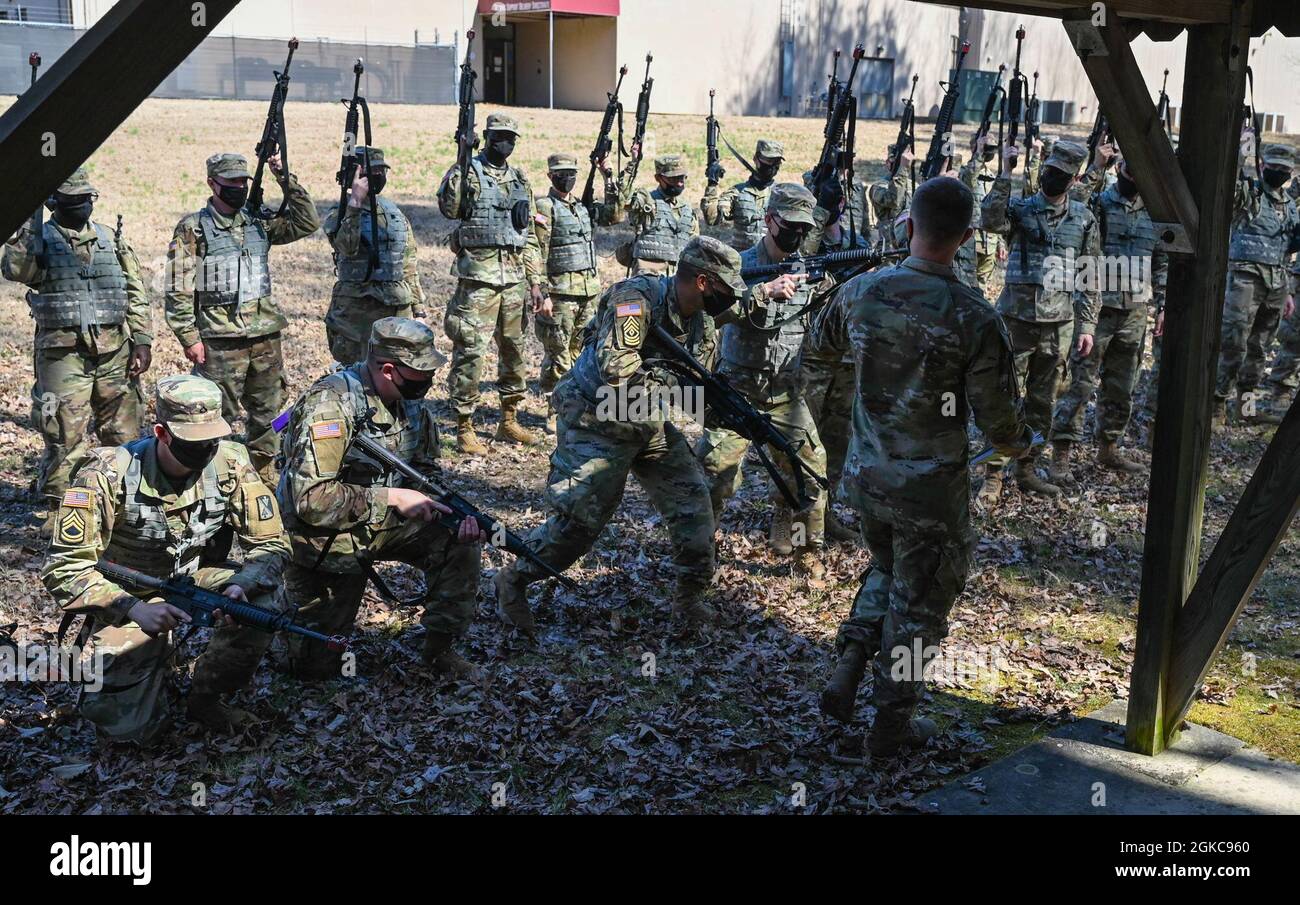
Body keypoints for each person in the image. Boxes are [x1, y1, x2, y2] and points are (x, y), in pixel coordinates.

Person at [816, 176, 1032, 756]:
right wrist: (1023, 441)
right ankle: (890, 729)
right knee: (920, 608)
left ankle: (848, 667)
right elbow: (997, 423)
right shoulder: (976, 318)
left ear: (908, 226)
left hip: (866, 481)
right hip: (931, 496)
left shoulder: (861, 291)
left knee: (886, 571)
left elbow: (821, 347)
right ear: (965, 238)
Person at [494, 237, 746, 631]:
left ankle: (690, 600)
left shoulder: (701, 320)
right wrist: (676, 390)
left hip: (644, 422)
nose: (729, 298)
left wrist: (724, 412)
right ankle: (514, 580)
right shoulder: (634, 299)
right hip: (596, 418)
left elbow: (693, 384)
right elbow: (618, 370)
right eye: (725, 288)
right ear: (702, 281)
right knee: (579, 524)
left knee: (694, 501)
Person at [40, 375, 289, 742]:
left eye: (212, 438)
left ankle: (207, 698)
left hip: (193, 579)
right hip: (125, 596)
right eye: (193, 441)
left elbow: (271, 544)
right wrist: (133, 608)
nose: (205, 450)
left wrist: (240, 585)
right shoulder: (108, 474)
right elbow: (64, 567)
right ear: (162, 432)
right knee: (132, 734)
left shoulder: (231, 462)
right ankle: (145, 671)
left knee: (263, 598)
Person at [276, 318, 487, 679]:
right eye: (420, 374)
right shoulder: (330, 407)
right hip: (326, 533)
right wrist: (390, 497)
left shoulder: (412, 403)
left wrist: (443, 512)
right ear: (389, 370)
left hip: (383, 519)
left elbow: (426, 470)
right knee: (313, 670)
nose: (428, 383)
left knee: (457, 541)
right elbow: (309, 500)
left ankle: (440, 650)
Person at [3, 167, 152, 536]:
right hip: (62, 355)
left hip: (115, 352)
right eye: (74, 201)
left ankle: (121, 503)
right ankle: (61, 510)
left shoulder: (110, 239)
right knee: (62, 434)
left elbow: (134, 290)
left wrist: (142, 339)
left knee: (123, 433)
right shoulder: (40, 239)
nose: (83, 206)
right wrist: (28, 221)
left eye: (88, 199)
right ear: (54, 204)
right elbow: (15, 269)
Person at [695, 184, 829, 578]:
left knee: (810, 473)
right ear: (769, 220)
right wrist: (762, 292)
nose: (796, 235)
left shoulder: (808, 270)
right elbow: (708, 316)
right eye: (789, 226)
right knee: (715, 476)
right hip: (736, 390)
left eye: (804, 229)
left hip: (786, 391)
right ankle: (700, 553)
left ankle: (806, 552)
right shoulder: (737, 265)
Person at [165, 151, 320, 485]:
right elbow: (178, 285)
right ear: (212, 184)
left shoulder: (258, 221)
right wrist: (189, 337)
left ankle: (262, 476)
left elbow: (307, 221)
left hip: (265, 337)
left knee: (270, 414)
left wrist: (283, 175)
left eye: (242, 181)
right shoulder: (194, 229)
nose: (238, 187)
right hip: (221, 340)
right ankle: (209, 480)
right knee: (214, 415)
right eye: (231, 182)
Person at [976, 139, 1101, 504]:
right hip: (1015, 321)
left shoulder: (1083, 219)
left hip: (1058, 326)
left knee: (1042, 404)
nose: (1052, 178)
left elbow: (1091, 274)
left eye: (1061, 175)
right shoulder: (1021, 209)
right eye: (1049, 171)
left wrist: (1088, 326)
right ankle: (994, 474)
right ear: (1043, 166)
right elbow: (989, 218)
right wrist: (1005, 173)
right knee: (1005, 400)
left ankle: (1027, 468)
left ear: (1074, 178)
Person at [1050, 157, 1167, 479]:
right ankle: (1061, 452)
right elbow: (1072, 207)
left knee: (1121, 386)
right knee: (1079, 384)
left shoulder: (1155, 211)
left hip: (1134, 311)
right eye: (1131, 171)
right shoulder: (1098, 203)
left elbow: (1161, 261)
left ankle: (1109, 448)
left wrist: (1163, 304)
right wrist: (1097, 166)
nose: (1136, 178)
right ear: (1119, 170)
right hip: (1096, 310)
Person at [437, 112, 546, 454]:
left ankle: (508, 419)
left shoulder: (519, 180)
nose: (506, 143)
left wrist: (535, 282)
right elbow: (449, 208)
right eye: (500, 136)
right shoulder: (469, 172)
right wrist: (461, 159)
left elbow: (526, 235)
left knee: (513, 351)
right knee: (471, 351)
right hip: (478, 281)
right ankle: (464, 425)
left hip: (513, 278)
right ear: (486, 136)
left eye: (512, 138)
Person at [533, 152, 622, 432]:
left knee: (580, 351)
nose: (567, 178)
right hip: (559, 293)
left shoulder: (583, 207)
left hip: (588, 291)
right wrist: (541, 291)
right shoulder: (544, 207)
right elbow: (537, 251)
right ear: (550, 176)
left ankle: (572, 404)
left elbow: (615, 213)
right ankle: (555, 407)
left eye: (572, 172)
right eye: (561, 174)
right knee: (558, 352)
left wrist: (608, 176)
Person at [1213, 141, 1300, 427]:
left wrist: (1287, 290)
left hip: (1276, 284)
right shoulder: (1250, 194)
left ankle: (1246, 408)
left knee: (1259, 348)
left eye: (1284, 170)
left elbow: (1288, 248)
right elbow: (1230, 183)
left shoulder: (1289, 206)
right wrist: (1240, 150)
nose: (1278, 173)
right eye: (1273, 167)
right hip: (1244, 280)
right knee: (1233, 344)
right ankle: (1216, 405)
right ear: (1262, 166)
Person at [322, 146, 427, 366]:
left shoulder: (394, 213)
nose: (379, 176)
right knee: (358, 371)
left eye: (382, 171)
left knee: (396, 369)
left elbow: (408, 263)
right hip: (356, 311)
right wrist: (355, 204)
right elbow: (346, 247)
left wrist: (418, 309)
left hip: (396, 306)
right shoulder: (340, 210)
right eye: (373, 171)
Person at [700, 139, 786, 250]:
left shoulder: (783, 195)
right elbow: (712, 219)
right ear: (756, 159)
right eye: (769, 160)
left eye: (777, 162)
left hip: (772, 263)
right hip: (743, 262)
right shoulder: (737, 193)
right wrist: (712, 184)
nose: (773, 165)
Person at [623, 155, 700, 275]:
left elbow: (695, 244)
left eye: (682, 178)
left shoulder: (686, 209)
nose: (679, 184)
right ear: (658, 178)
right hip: (648, 277)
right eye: (673, 179)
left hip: (679, 279)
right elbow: (625, 198)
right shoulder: (646, 200)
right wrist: (632, 163)